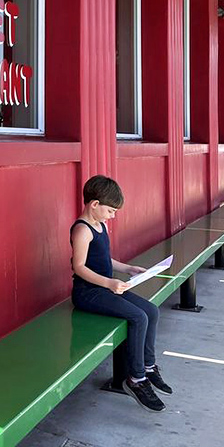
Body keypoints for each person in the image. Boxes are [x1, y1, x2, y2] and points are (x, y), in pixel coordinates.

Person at [70, 175, 172, 412]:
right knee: (138, 317)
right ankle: (135, 379)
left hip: (106, 288)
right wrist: (108, 283)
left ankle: (148, 366)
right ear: (94, 204)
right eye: (110, 210)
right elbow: (79, 267)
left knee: (151, 310)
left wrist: (127, 268)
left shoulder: (100, 224)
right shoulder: (82, 230)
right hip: (89, 293)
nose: (112, 216)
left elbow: (104, 259)